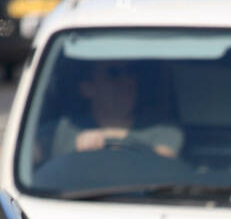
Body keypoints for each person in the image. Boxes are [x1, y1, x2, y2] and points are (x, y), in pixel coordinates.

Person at [51, 61, 183, 160]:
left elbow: (162, 169)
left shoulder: (162, 131)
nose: (128, 81)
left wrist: (109, 144)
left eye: (131, 72)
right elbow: (33, 153)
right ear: (88, 88)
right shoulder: (63, 129)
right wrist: (74, 152)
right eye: (113, 73)